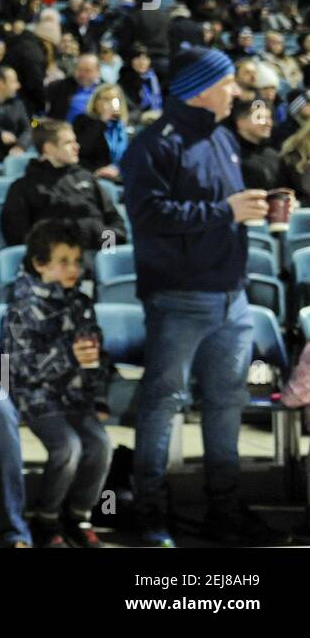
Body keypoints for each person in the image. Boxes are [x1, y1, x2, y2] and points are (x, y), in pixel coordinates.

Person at [120, 45, 292, 547]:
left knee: (226, 405)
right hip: (178, 299)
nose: (237, 91)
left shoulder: (223, 138)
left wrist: (251, 207)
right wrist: (225, 212)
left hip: (231, 299)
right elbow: (148, 217)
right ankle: (149, 515)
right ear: (201, 89)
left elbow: (223, 207)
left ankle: (224, 511)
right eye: (228, 83)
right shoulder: (151, 145)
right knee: (162, 404)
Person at [0, 220, 112, 548]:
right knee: (68, 447)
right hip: (36, 399)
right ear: (39, 264)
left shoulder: (80, 303)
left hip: (75, 398)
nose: (73, 269)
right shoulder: (21, 309)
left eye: (77, 261)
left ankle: (79, 515)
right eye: (63, 261)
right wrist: (68, 355)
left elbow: (99, 357)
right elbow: (20, 368)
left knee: (100, 445)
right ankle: (46, 520)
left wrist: (99, 394)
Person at [0, 119, 126, 252]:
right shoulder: (22, 188)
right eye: (68, 143)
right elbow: (17, 236)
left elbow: (116, 223)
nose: (76, 146)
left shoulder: (86, 177)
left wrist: (107, 250)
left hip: (101, 256)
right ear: (49, 148)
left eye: (75, 141)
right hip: (57, 265)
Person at [71, 82, 128, 181]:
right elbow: (83, 149)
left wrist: (116, 168)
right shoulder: (82, 121)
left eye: (115, 99)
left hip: (117, 175)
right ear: (95, 102)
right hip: (91, 174)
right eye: (106, 99)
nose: (111, 103)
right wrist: (102, 121)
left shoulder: (121, 127)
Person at [227, 97, 280, 191]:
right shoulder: (229, 157)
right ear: (240, 122)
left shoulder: (273, 155)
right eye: (260, 118)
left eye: (269, 118)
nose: (268, 123)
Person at [46, 52, 101, 123]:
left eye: (87, 70)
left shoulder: (104, 90)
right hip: (63, 130)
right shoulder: (58, 87)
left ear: (98, 71)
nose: (83, 74)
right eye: (80, 69)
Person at [117, 43, 162, 126]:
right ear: (130, 60)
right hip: (134, 125)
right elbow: (120, 113)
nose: (142, 62)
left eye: (145, 58)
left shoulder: (153, 78)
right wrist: (142, 116)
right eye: (137, 58)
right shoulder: (123, 83)